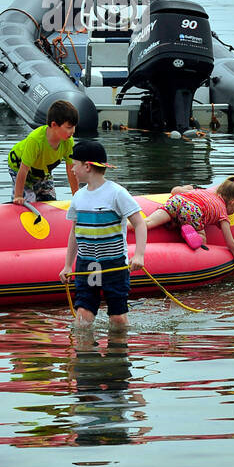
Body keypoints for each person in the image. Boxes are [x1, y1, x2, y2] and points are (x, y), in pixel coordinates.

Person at [59, 139, 146, 332]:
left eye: (74, 165)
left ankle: (118, 359)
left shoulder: (116, 193)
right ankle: (85, 358)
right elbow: (74, 233)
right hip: (87, 265)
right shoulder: (78, 197)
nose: (72, 170)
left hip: (114, 266)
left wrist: (139, 255)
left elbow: (140, 224)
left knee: (118, 319)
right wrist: (67, 265)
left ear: (87, 166)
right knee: (83, 316)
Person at [145, 179, 234, 278]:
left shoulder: (202, 192)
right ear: (233, 202)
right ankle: (191, 233)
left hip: (178, 200)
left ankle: (168, 222)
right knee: (202, 240)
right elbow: (230, 243)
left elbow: (175, 191)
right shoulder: (223, 214)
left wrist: (187, 188)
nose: (232, 213)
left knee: (149, 222)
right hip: (193, 211)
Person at [8, 101, 78, 205]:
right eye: (69, 127)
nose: (73, 131)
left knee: (49, 202)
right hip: (19, 167)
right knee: (28, 202)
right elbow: (23, 170)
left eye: (74, 126)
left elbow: (71, 170)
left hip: (42, 171)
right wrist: (18, 196)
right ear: (54, 125)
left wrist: (77, 197)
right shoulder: (36, 141)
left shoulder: (68, 141)